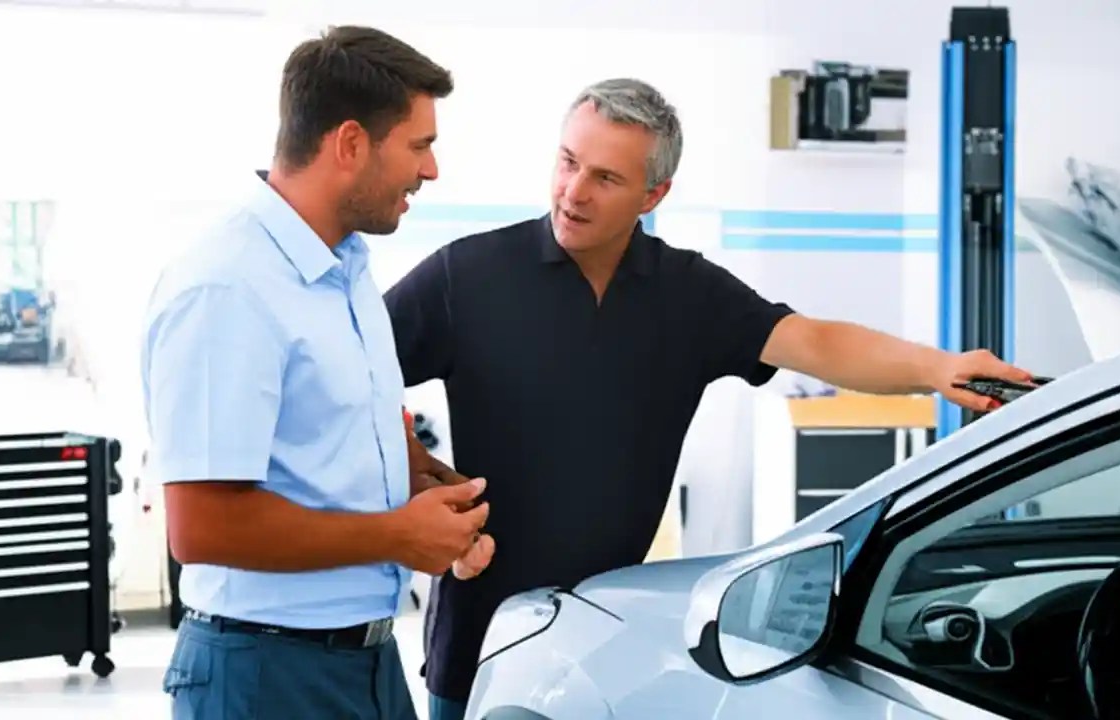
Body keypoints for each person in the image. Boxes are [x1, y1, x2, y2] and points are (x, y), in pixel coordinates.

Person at [382, 77, 1037, 719]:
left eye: (605, 178)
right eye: (568, 162)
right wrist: (422, 476)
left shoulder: (688, 294)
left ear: (653, 192)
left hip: (608, 641)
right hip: (482, 644)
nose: (573, 193)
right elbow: (350, 380)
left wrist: (937, 366)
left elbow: (812, 342)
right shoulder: (466, 276)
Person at [141, 26, 493, 720]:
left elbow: (334, 421)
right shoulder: (229, 285)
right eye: (419, 145)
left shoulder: (346, 268)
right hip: (265, 677)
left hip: (368, 663)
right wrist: (399, 534)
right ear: (351, 143)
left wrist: (416, 473)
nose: (431, 170)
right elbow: (203, 525)